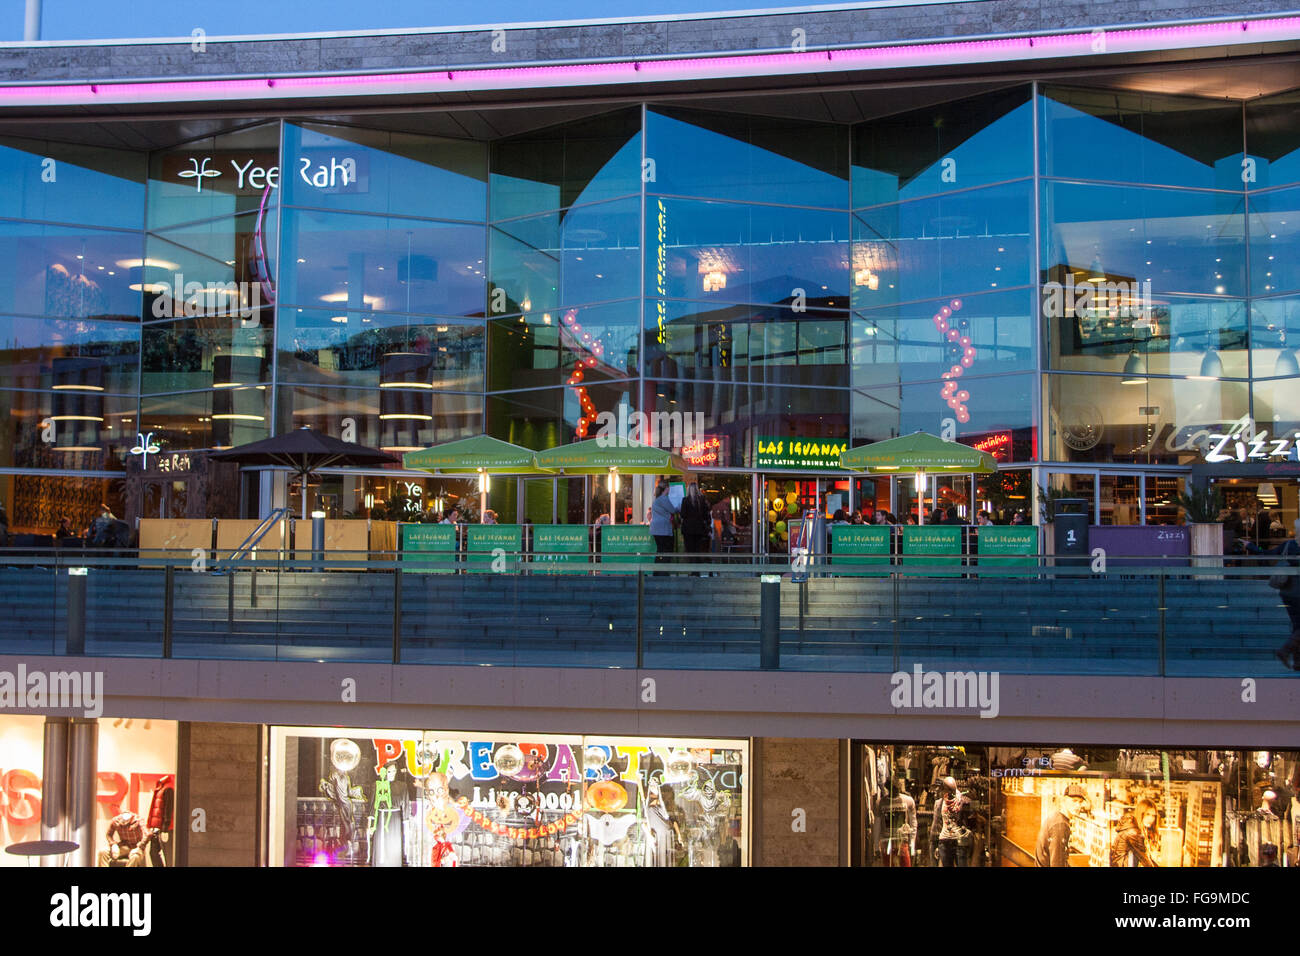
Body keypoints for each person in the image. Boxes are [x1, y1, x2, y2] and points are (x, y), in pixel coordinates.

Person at [1267, 518, 1300, 670]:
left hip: (1287, 591)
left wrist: (1251, 546)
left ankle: (1298, 662)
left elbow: (1268, 554)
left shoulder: (1289, 545)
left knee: (1297, 626)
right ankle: (1285, 651)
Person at [1035, 783, 1089, 867]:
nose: (1078, 806)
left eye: (1080, 802)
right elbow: (1057, 864)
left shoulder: (1057, 817)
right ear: (1064, 800)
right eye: (1074, 801)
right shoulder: (1060, 825)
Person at [930, 775, 975, 867]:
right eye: (948, 789)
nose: (951, 792)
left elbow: (971, 820)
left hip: (960, 840)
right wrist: (934, 843)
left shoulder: (964, 801)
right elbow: (936, 824)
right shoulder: (939, 803)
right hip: (944, 840)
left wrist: (967, 831)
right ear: (944, 790)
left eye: (952, 790)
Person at [1110, 798, 1160, 867]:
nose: (1151, 819)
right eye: (1147, 814)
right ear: (1141, 814)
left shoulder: (1134, 827)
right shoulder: (1133, 832)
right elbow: (1144, 859)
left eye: (1153, 815)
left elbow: (1147, 858)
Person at [679, 482, 712, 570]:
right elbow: (706, 514)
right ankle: (697, 570)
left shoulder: (685, 500)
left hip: (688, 529)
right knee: (697, 549)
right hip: (699, 528)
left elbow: (683, 514)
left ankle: (692, 569)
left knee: (690, 550)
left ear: (688, 490)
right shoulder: (702, 500)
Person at [649, 479, 678, 570]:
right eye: (669, 488)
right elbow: (673, 510)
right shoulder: (664, 498)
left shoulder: (657, 499)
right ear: (666, 488)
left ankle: (657, 571)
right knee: (666, 551)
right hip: (663, 529)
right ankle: (663, 571)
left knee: (660, 551)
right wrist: (679, 506)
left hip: (656, 529)